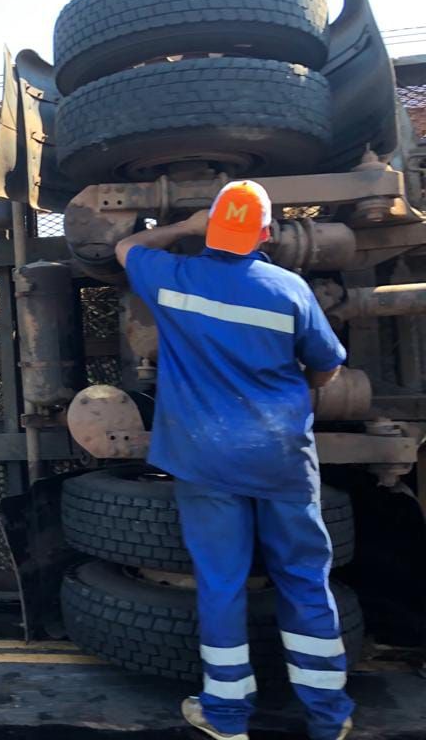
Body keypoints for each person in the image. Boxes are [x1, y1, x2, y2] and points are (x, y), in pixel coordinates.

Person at [114, 180, 354, 740]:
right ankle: (328, 716)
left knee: (220, 584)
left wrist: (182, 228)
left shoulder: (173, 278)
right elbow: (327, 367)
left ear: (213, 228)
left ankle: (225, 717)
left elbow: (125, 249)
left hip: (205, 460)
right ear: (267, 234)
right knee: (304, 580)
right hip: (281, 459)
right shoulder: (289, 289)